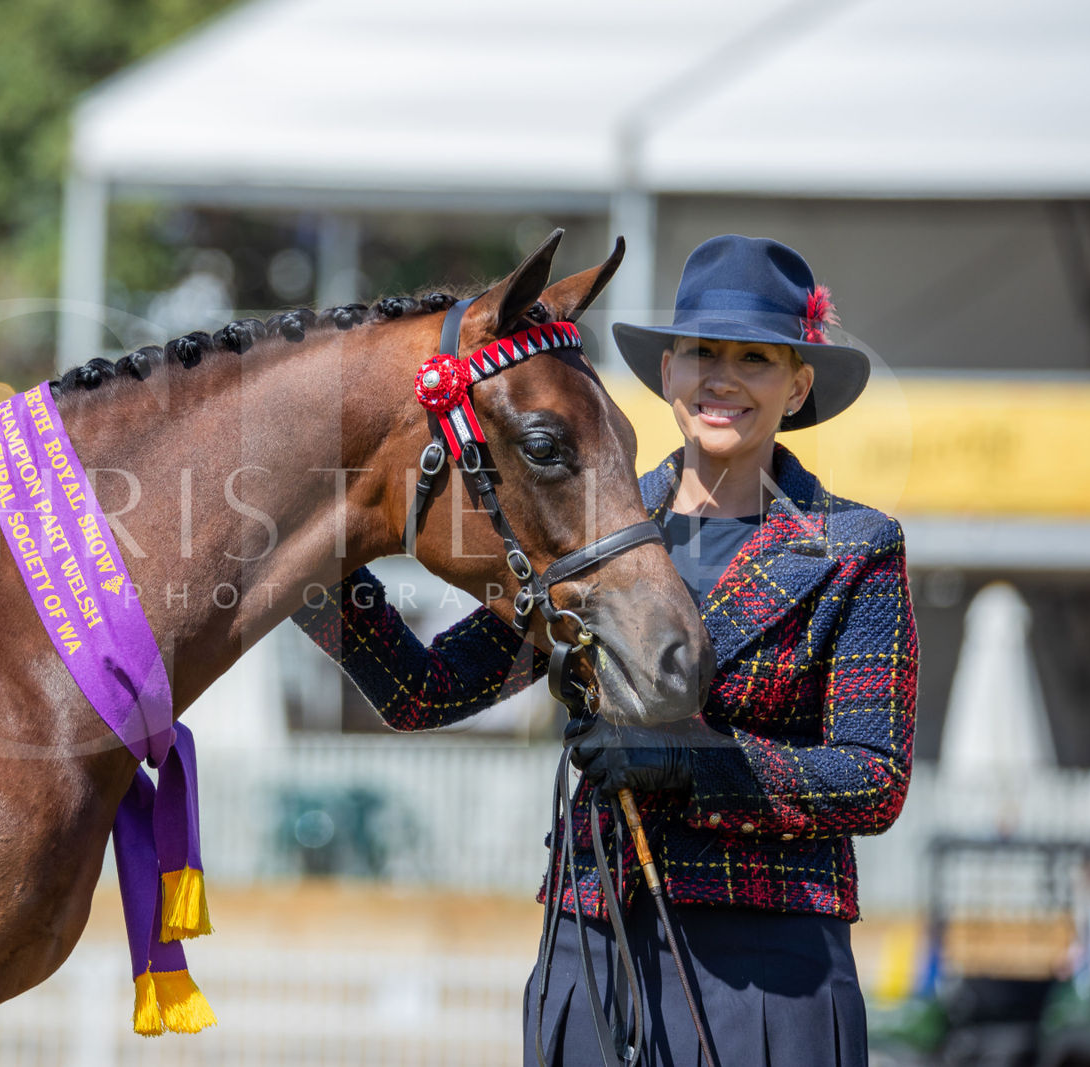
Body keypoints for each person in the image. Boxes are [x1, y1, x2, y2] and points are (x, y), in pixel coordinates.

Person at [293, 235, 919, 1066]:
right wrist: (304, 568)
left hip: (767, 963)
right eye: (701, 353)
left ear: (798, 384)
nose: (721, 378)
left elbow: (873, 779)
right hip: (591, 949)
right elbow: (426, 691)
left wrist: (694, 763)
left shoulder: (853, 546)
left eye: (756, 359)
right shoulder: (583, 527)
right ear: (668, 375)